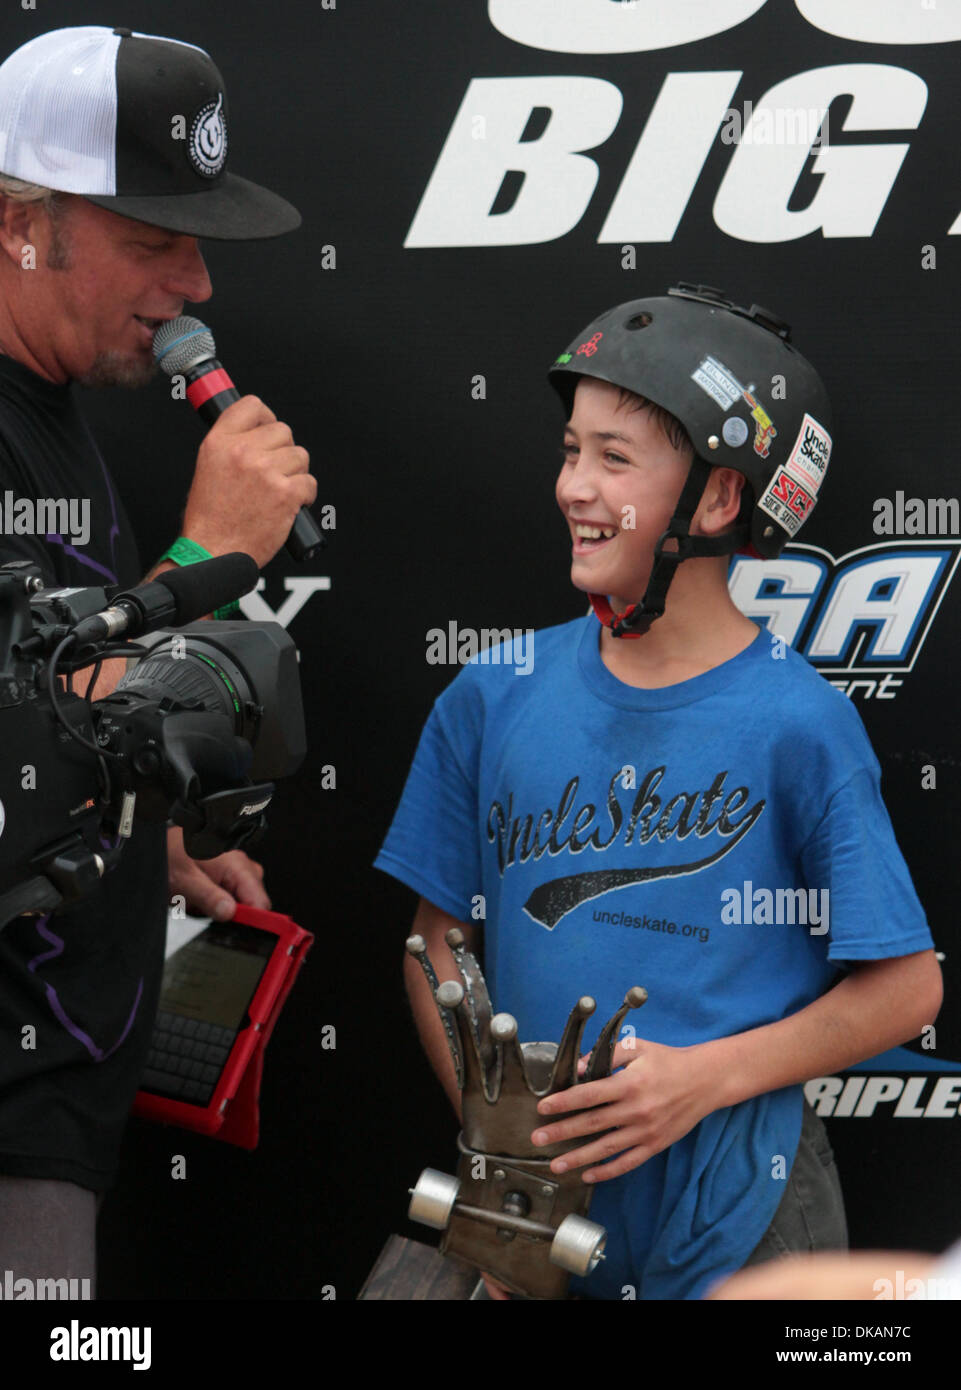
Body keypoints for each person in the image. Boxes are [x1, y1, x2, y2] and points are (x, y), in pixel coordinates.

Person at [375, 284, 943, 1300]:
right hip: (527, 1203)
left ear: (718, 500)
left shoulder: (797, 721)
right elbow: (437, 942)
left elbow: (907, 988)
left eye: (614, 458)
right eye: (569, 450)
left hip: (738, 1213)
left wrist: (699, 1080)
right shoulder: (490, 695)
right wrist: (500, 1147)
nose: (572, 487)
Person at [0, 26, 315, 1293]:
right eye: (150, 240)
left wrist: (142, 830)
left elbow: (50, 716)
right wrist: (207, 554)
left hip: (57, 1101)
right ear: (22, 223)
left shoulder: (50, 406)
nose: (193, 280)